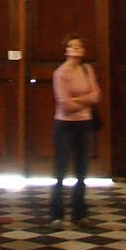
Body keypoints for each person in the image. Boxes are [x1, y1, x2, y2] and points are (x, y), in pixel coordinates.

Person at [50, 35, 101, 225]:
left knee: (82, 170)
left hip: (85, 124)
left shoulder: (87, 70)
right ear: (65, 51)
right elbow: (65, 106)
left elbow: (96, 96)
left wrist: (77, 101)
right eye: (71, 46)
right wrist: (84, 100)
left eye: (79, 46)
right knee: (60, 170)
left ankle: (79, 213)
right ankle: (56, 213)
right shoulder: (60, 73)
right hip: (64, 125)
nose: (75, 49)